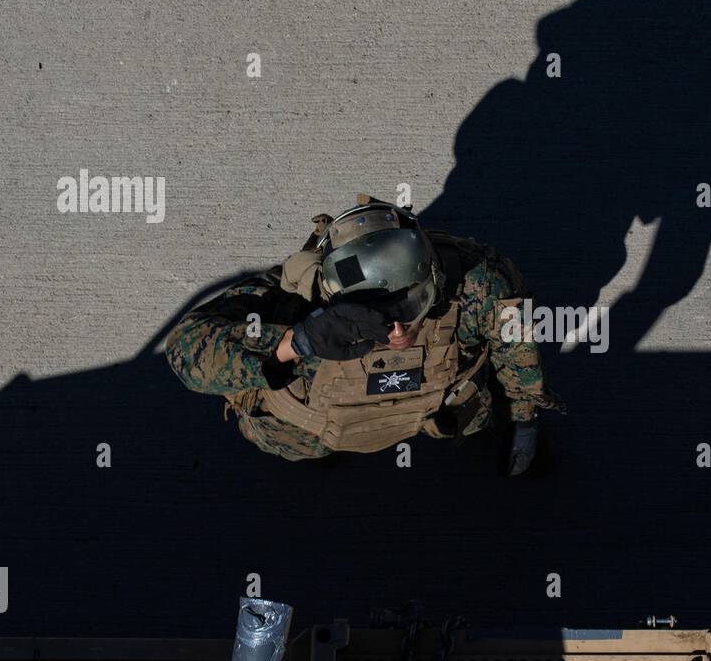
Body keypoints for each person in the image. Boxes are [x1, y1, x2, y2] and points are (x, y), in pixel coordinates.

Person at [165, 196, 561, 474]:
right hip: (311, 430)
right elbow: (186, 350)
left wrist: (523, 423)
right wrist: (295, 341)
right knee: (272, 429)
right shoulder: (289, 300)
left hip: (433, 413)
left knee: (482, 408)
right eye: (376, 319)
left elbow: (518, 358)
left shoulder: (481, 285)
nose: (398, 331)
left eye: (409, 308)